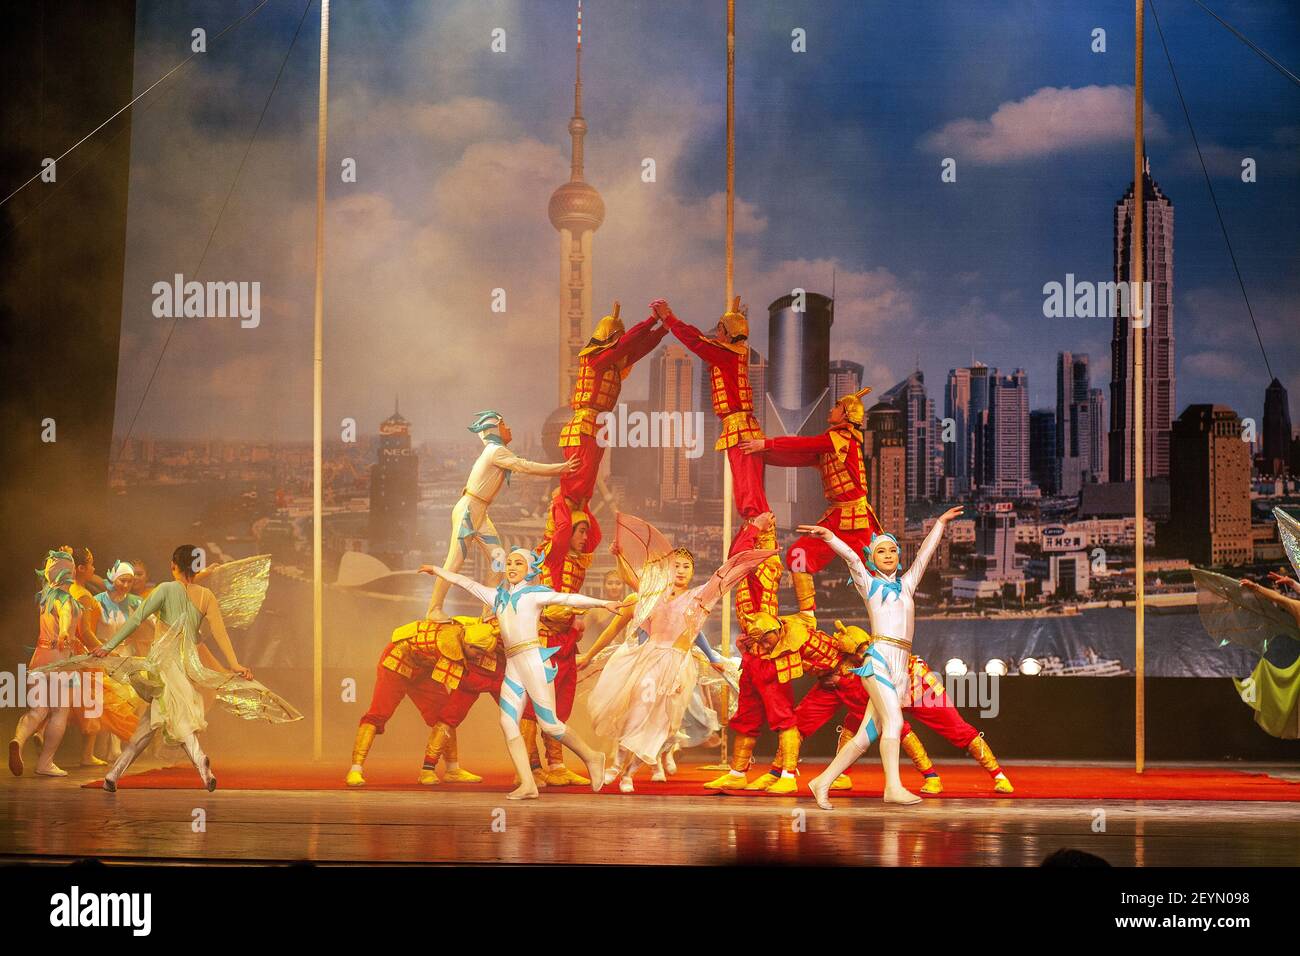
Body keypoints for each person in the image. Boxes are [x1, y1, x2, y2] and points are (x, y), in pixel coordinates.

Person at [89, 544, 299, 791]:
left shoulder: (165, 589)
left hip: (165, 667)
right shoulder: (205, 596)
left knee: (173, 722)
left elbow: (137, 619)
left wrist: (108, 645)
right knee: (152, 724)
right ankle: (113, 776)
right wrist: (234, 663)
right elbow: (220, 634)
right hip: (187, 666)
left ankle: (198, 760)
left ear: (172, 566)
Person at [587, 520, 774, 793]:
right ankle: (616, 763)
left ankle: (629, 772)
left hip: (676, 664)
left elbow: (696, 630)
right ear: (668, 568)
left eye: (687, 567)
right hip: (649, 658)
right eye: (676, 565)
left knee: (660, 725)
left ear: (692, 572)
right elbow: (630, 578)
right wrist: (618, 556)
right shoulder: (655, 593)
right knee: (637, 711)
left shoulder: (697, 598)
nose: (681, 571)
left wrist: (712, 657)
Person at [420, 548, 621, 799]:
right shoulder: (498, 597)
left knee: (550, 725)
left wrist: (603, 603)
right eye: (509, 563)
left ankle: (592, 757)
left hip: (534, 662)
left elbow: (568, 599)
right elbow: (465, 583)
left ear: (529, 569)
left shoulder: (534, 595)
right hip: (514, 665)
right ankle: (528, 783)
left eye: (518, 563)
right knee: (507, 722)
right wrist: (436, 570)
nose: (512, 567)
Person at [804, 507, 965, 809]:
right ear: (872, 558)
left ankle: (821, 782)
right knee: (895, 720)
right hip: (878, 659)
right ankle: (893, 786)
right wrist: (830, 538)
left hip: (901, 664)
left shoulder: (906, 585)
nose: (889, 554)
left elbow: (925, 556)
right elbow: (851, 559)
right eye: (881, 551)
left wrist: (940, 523)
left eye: (892, 550)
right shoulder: (870, 585)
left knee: (866, 735)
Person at [738, 386, 880, 622]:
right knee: (797, 555)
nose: (831, 409)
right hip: (837, 518)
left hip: (857, 520)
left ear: (845, 414)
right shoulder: (832, 443)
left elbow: (802, 445)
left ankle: (889, 620)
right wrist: (760, 453)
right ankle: (807, 616)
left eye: (836, 406)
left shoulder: (841, 438)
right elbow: (798, 456)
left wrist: (766, 444)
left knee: (877, 575)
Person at [425, 411, 578, 621]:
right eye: (505, 425)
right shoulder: (496, 451)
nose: (509, 429)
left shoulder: (496, 451)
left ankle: (489, 609)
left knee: (498, 558)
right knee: (454, 563)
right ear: (496, 429)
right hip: (469, 511)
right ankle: (434, 608)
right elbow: (525, 466)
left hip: (479, 512)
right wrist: (560, 468)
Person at [655, 298, 769, 543]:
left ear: (727, 333)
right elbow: (701, 338)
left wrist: (670, 319)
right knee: (745, 488)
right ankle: (755, 529)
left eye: (719, 329)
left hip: (742, 431)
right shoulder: (731, 353)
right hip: (739, 429)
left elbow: (696, 342)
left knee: (748, 490)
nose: (715, 334)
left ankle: (758, 533)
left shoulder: (725, 355)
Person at [346, 616, 499, 787]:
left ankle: (452, 769)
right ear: (468, 645)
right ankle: (355, 770)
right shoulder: (449, 647)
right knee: (378, 713)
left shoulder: (470, 630)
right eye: (478, 653)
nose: (479, 657)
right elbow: (464, 682)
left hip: (424, 670)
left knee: (444, 714)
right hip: (396, 662)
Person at [9, 551, 81, 777]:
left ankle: (18, 740)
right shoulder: (66, 599)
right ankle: (45, 763)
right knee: (60, 712)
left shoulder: (44, 596)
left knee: (38, 711)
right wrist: (63, 633)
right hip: (60, 660)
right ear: (71, 573)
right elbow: (66, 614)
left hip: (39, 658)